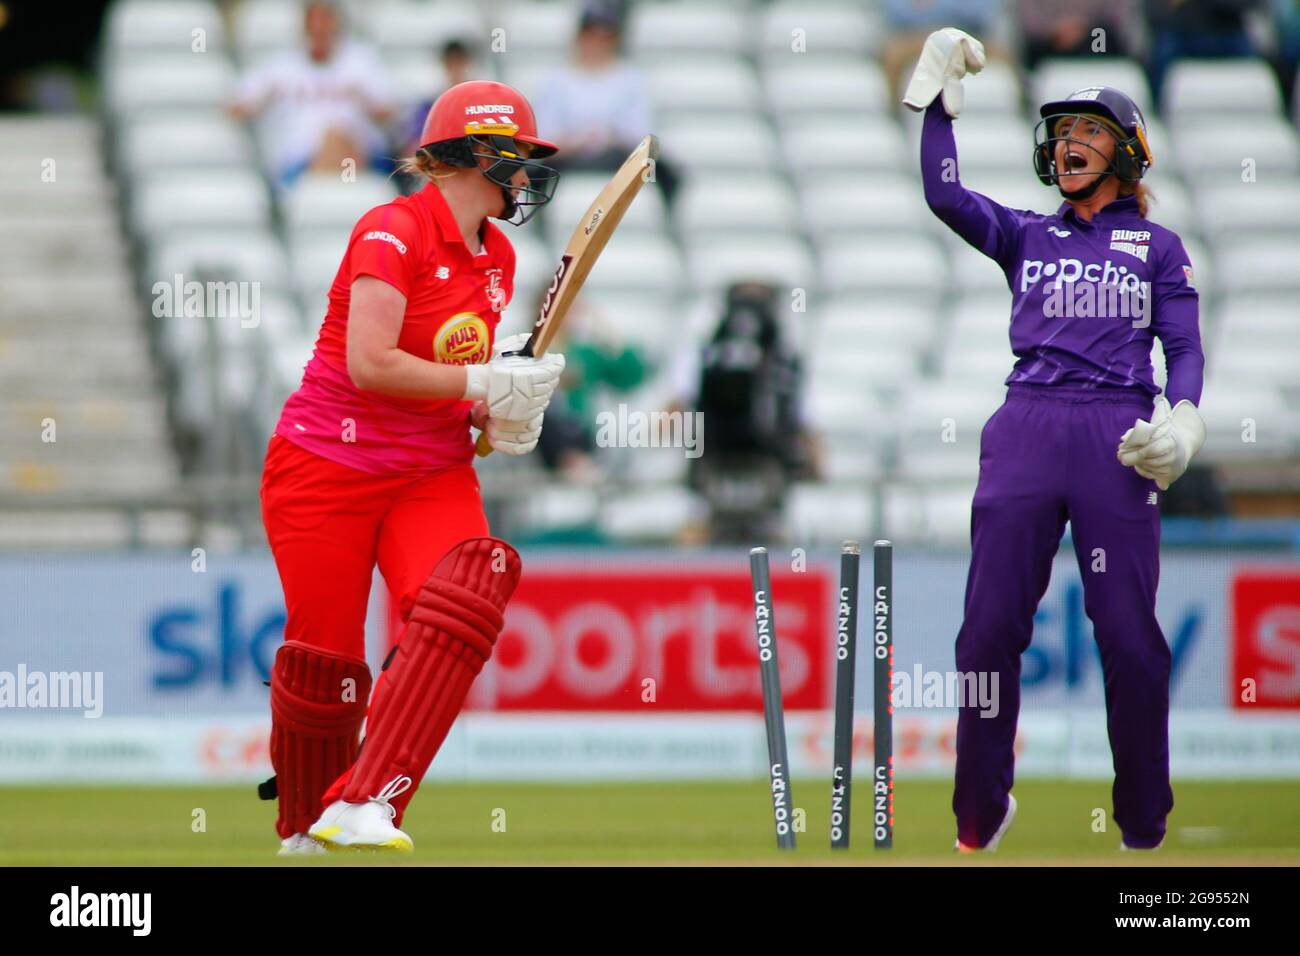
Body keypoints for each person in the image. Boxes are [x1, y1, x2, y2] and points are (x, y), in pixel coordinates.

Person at [904, 29, 1207, 852]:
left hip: (1118, 434)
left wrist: (1183, 419)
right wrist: (933, 104)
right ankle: (979, 808)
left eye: (1090, 133)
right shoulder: (1029, 235)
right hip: (1027, 426)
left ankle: (1143, 818)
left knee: (1129, 636)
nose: (1070, 144)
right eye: (1062, 134)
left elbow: (1183, 348)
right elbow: (944, 195)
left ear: (1130, 154)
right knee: (987, 630)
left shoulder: (1159, 247)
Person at [259, 79, 565, 855]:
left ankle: (368, 799)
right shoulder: (390, 230)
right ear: (478, 156)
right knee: (326, 663)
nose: (526, 176)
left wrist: (498, 416)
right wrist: (481, 381)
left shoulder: (498, 256)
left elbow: (453, 373)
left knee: (468, 594)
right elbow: (371, 364)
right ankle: (302, 821)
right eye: (519, 159)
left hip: (430, 468)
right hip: (324, 464)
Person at [229, 1, 395, 190]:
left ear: (337, 25)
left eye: (325, 21)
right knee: (332, 140)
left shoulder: (362, 62)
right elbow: (238, 109)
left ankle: (324, 199)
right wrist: (264, 99)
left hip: (361, 158)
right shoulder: (280, 68)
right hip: (300, 163)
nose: (320, 29)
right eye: (314, 23)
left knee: (336, 137)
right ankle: (337, 196)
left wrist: (364, 100)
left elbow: (389, 114)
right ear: (304, 27)